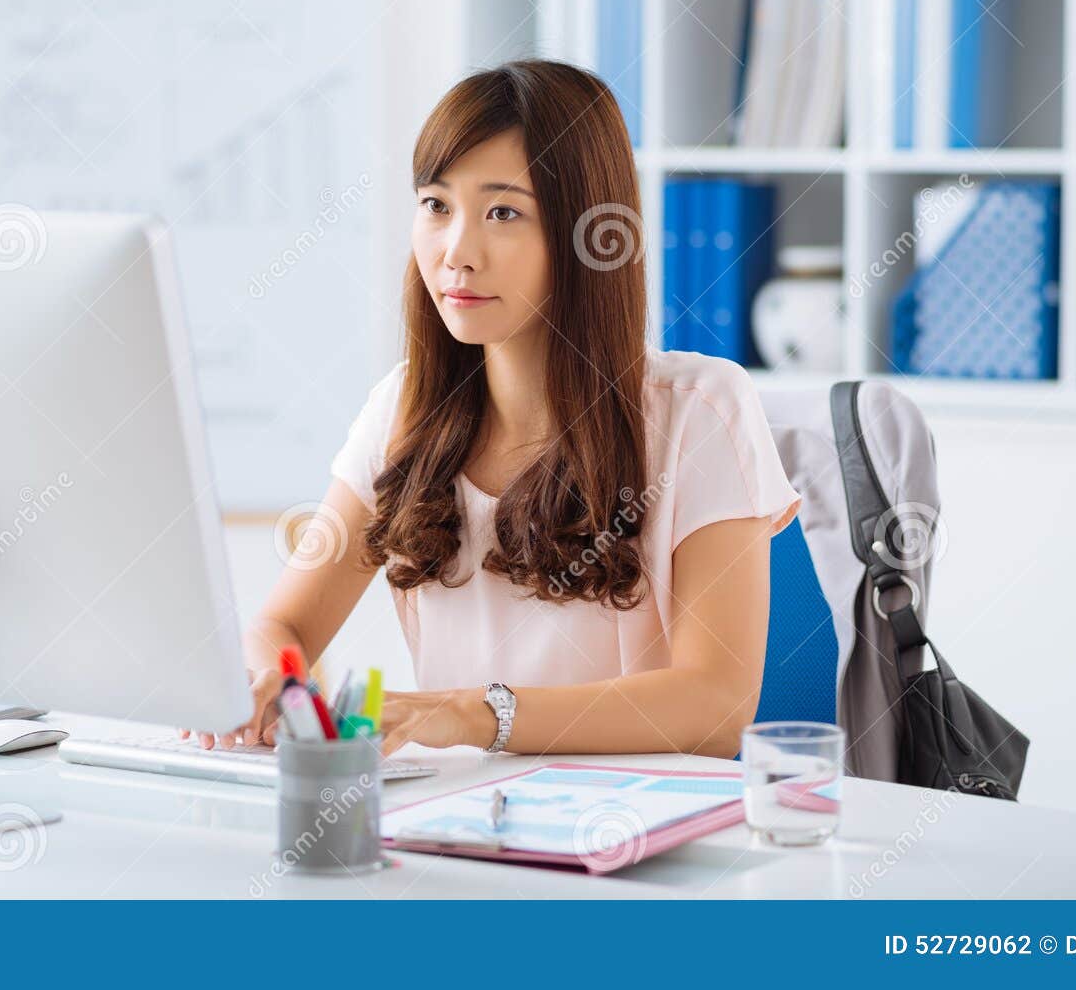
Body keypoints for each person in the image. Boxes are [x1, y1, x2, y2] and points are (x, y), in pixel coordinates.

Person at [190, 60, 799, 758]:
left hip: (637, 833)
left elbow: (717, 702)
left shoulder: (700, 410)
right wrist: (267, 673)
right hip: (460, 826)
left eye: (503, 212)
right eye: (436, 206)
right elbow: (283, 626)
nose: (457, 253)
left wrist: (471, 714)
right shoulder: (402, 410)